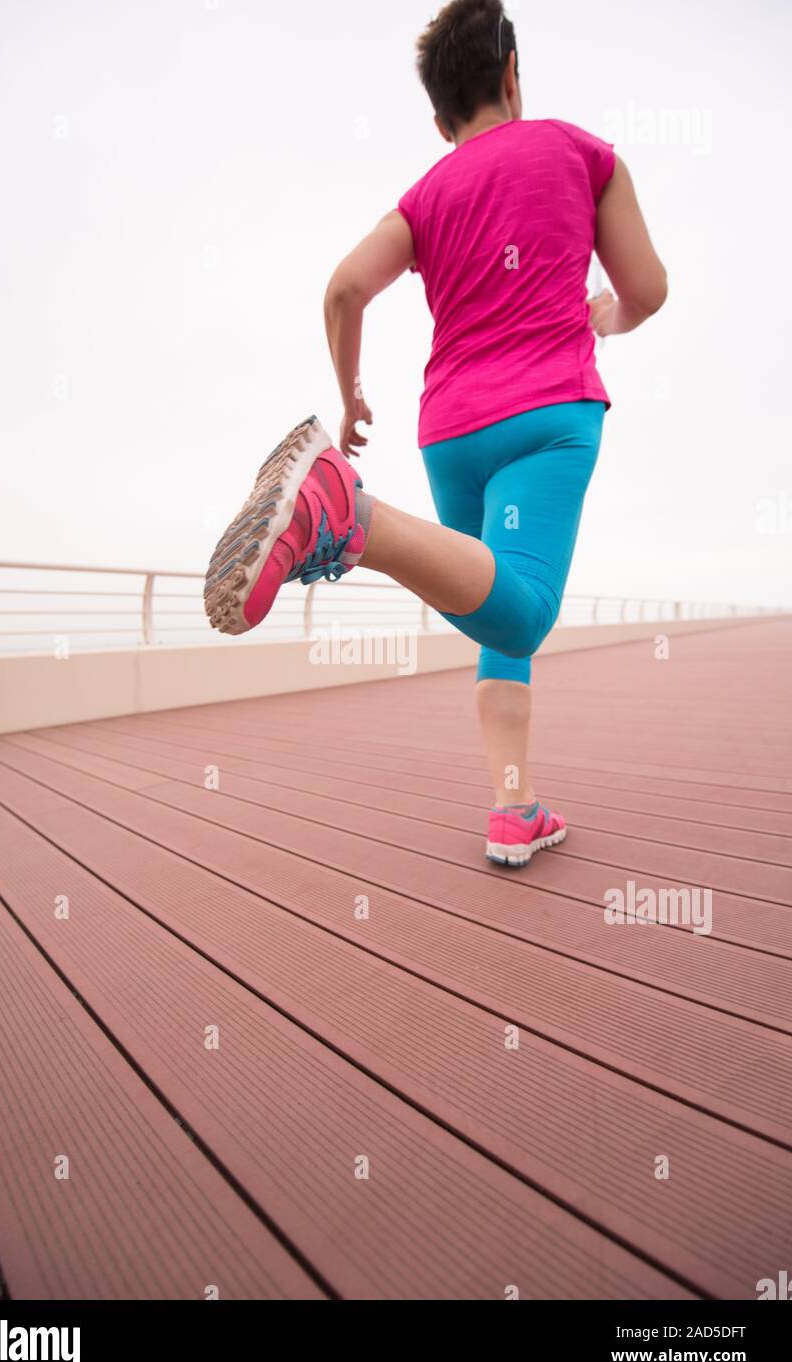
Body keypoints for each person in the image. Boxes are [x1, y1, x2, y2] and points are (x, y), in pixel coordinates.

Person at [204, 0, 667, 867]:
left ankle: (512, 807)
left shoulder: (424, 194)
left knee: (488, 606)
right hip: (545, 416)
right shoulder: (580, 153)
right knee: (521, 615)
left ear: (437, 115)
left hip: (450, 430)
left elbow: (344, 288)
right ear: (511, 73)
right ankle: (350, 518)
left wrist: (349, 403)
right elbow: (648, 286)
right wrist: (611, 317)